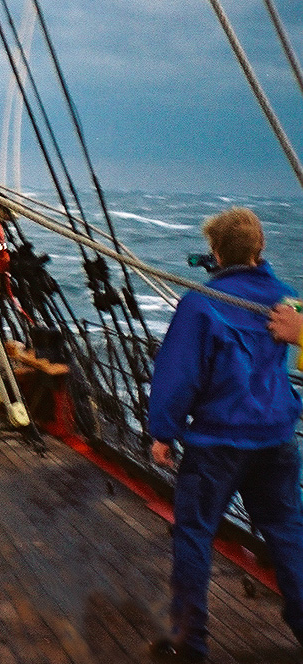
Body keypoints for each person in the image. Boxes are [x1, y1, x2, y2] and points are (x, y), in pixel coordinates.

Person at [149, 207, 303, 662]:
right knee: (289, 534)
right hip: (276, 439)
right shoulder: (287, 301)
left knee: (195, 534)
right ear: (260, 250)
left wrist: (163, 432)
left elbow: (179, 376)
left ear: (215, 251)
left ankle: (189, 643)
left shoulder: (201, 302)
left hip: (219, 442)